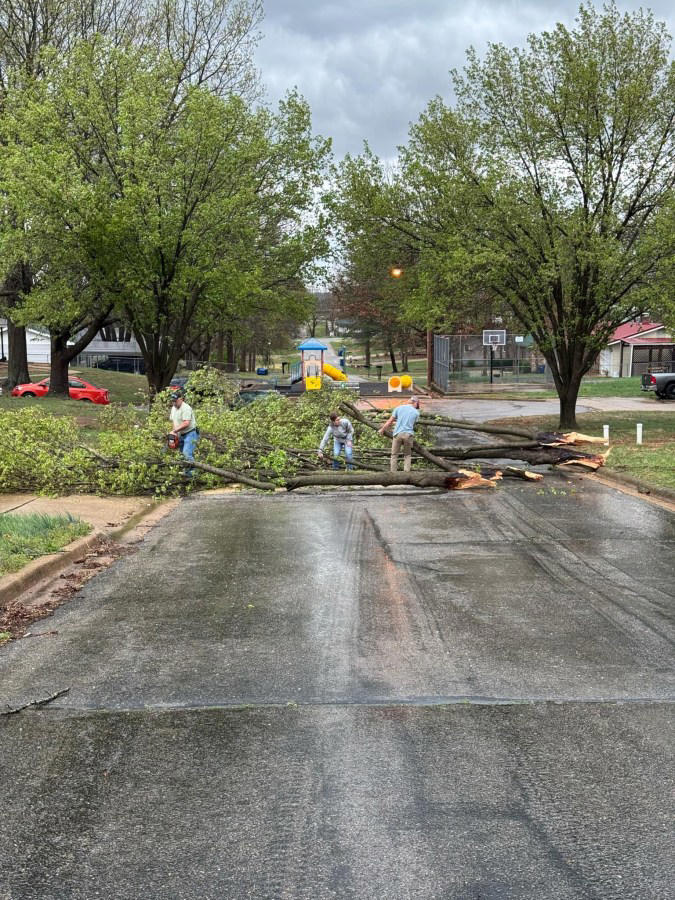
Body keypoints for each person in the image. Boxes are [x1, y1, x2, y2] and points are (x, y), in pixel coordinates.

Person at [379, 395, 421, 473]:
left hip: (397, 434)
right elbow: (412, 424)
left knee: (394, 455)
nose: (417, 406)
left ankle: (393, 473)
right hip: (408, 435)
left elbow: (390, 421)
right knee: (407, 455)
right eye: (417, 405)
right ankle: (406, 473)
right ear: (415, 403)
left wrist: (382, 429)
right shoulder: (416, 412)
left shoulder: (399, 408)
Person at [169, 389, 199, 472]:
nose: (174, 403)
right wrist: (175, 433)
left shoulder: (186, 408)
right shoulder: (173, 408)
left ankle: (192, 474)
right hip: (181, 433)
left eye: (175, 401)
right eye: (172, 401)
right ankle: (186, 472)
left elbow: (186, 423)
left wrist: (175, 431)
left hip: (191, 433)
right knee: (181, 454)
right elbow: (174, 421)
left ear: (181, 399)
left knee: (187, 453)